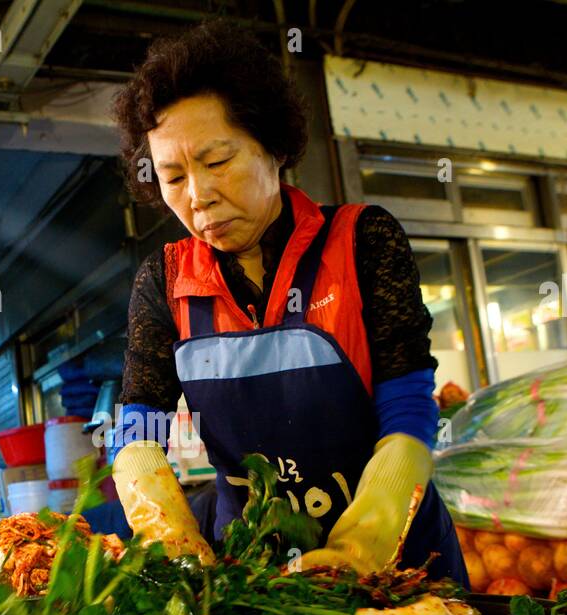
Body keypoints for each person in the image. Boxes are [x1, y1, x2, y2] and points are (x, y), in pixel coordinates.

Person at [109, 19, 466, 584]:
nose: (198, 196)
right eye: (173, 178)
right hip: (251, 576)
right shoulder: (165, 279)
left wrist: (368, 535)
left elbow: (409, 408)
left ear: (273, 146)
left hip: (401, 562)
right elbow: (140, 427)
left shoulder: (362, 241)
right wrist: (165, 530)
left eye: (217, 160)